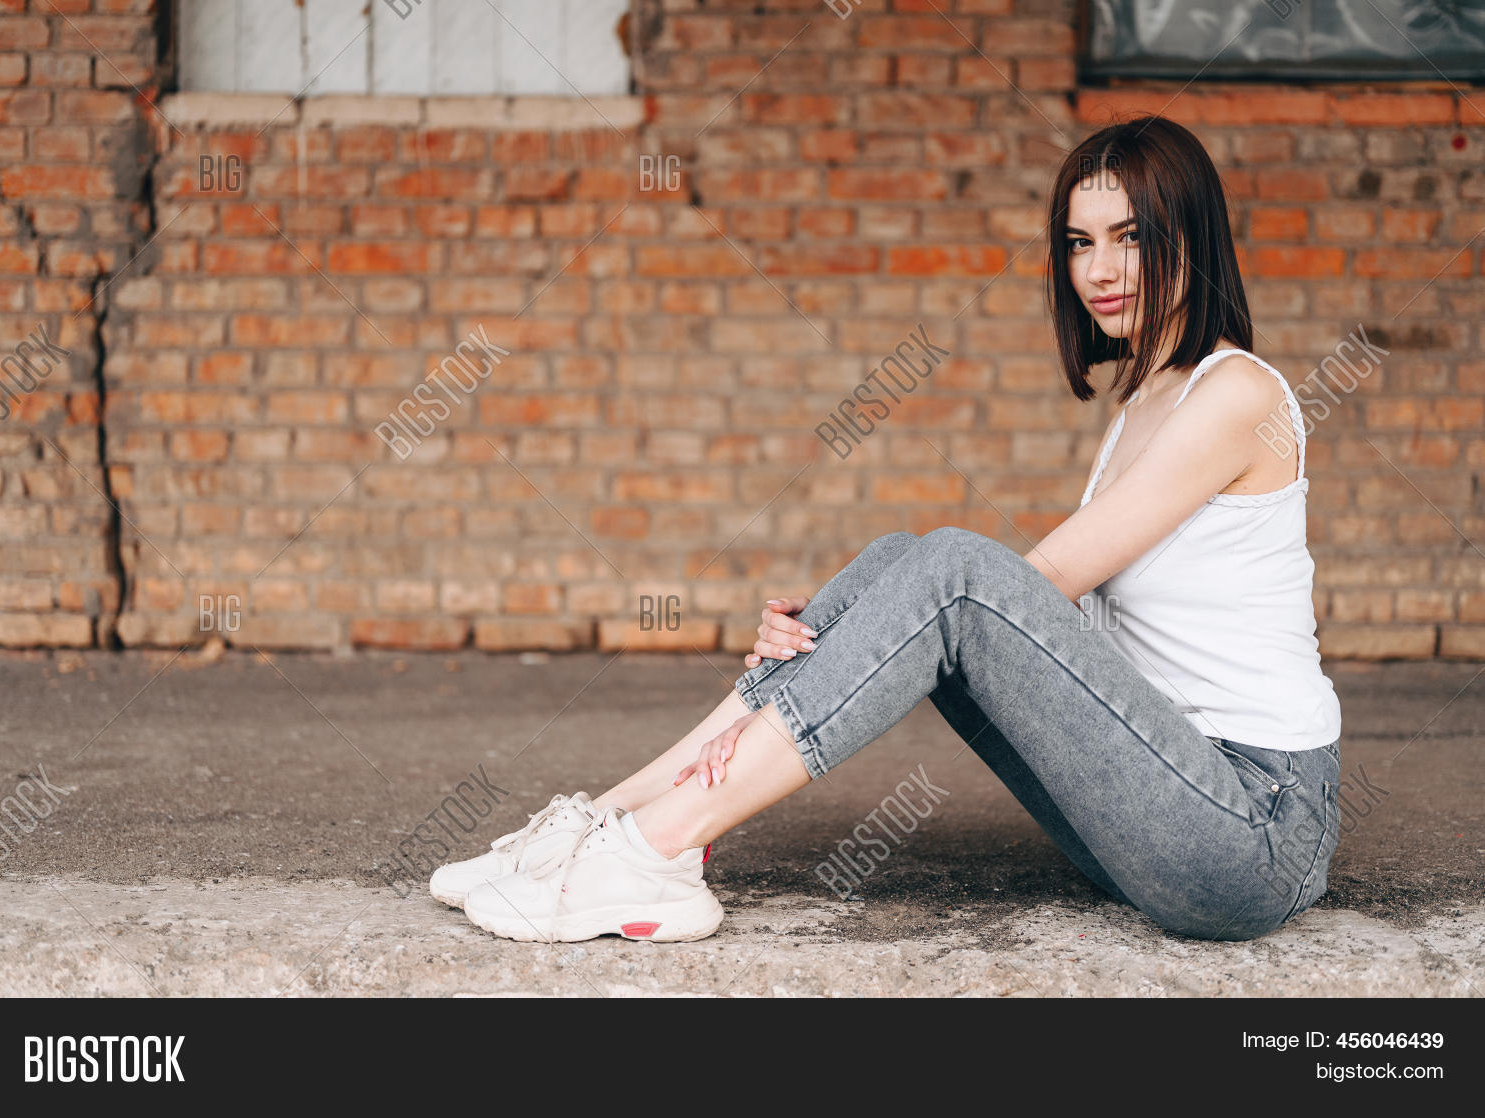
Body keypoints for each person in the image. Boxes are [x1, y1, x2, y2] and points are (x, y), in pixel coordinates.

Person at [431, 115, 1343, 945]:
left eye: (1131, 239)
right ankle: (614, 818)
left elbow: (1035, 586)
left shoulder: (1239, 394)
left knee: (945, 575)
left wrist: (874, 634)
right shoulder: (1144, 398)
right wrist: (846, 635)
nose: (1099, 271)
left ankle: (659, 845)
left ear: (1194, 236)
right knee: (901, 561)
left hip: (1253, 828)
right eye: (1080, 243)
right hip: (1160, 807)